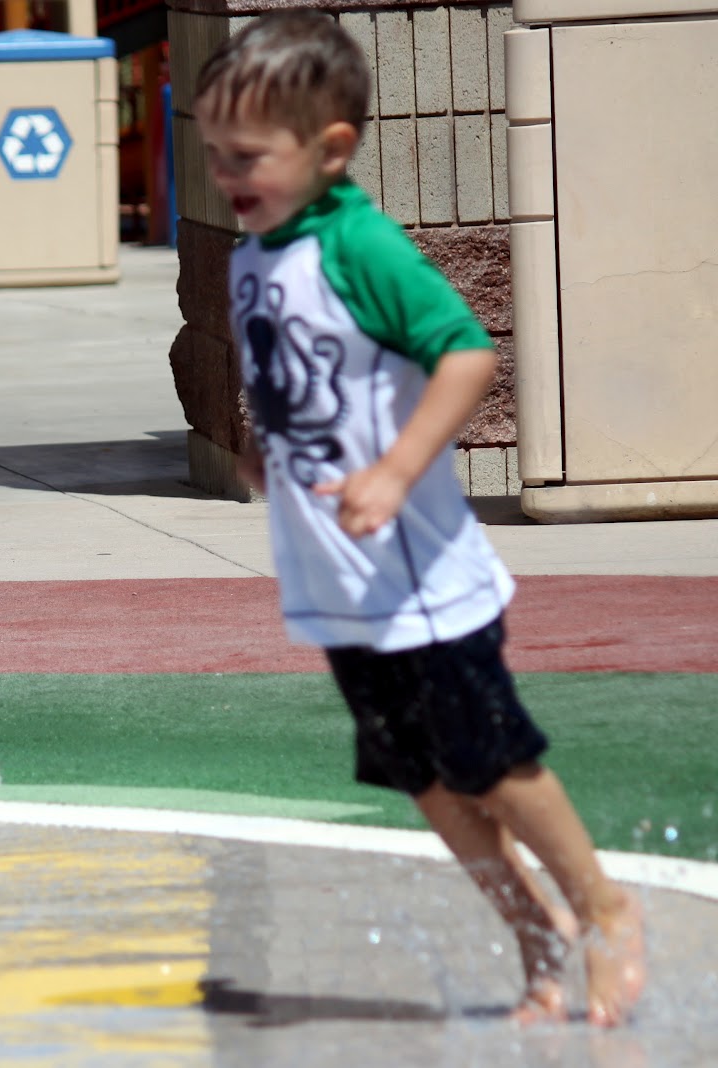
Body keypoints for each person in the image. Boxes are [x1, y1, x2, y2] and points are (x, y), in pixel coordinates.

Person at [192, 12, 644, 1027]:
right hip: (339, 585)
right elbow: (297, 375)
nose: (226, 173)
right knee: (427, 783)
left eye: (248, 155)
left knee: (492, 764)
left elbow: (467, 354)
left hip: (424, 580)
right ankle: (537, 937)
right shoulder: (255, 250)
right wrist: (267, 445)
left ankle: (605, 908)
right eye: (214, 153)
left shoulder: (360, 243)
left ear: (330, 149)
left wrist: (396, 470)